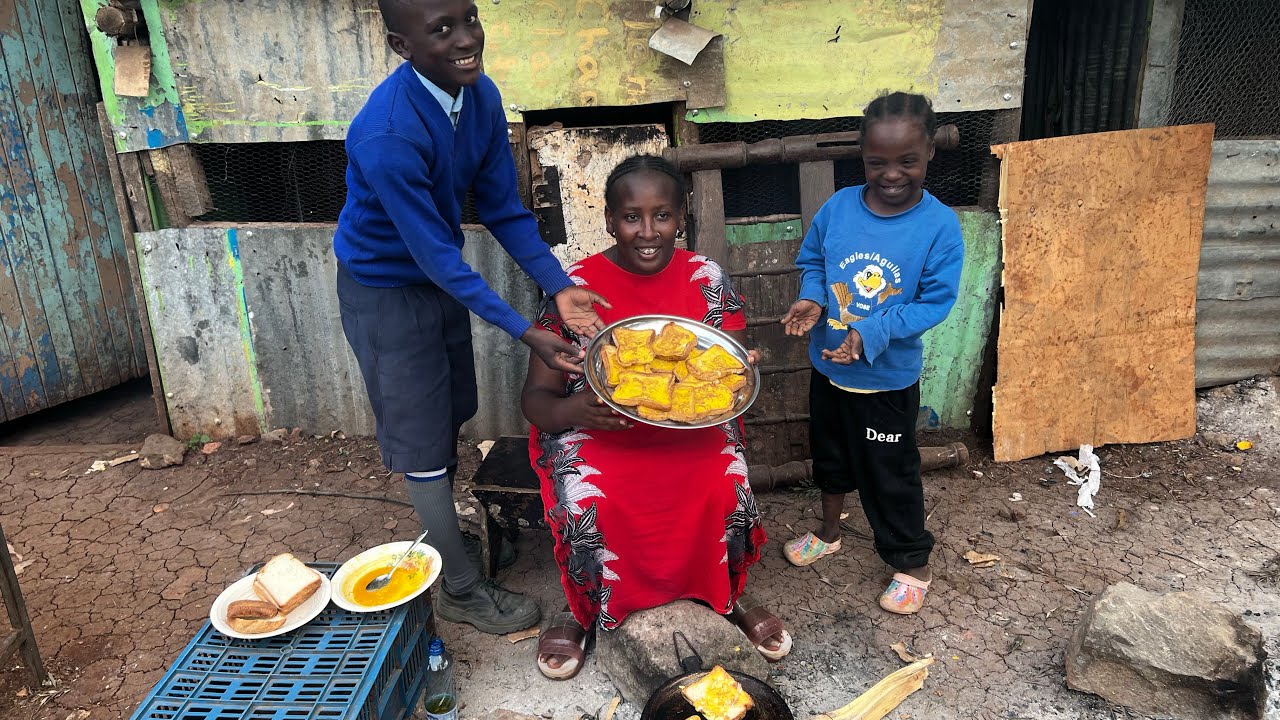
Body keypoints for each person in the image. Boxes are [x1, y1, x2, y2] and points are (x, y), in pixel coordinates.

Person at [333, 0, 608, 635]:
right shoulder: (388, 134)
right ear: (402, 45)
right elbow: (434, 255)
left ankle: (451, 542)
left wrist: (559, 286)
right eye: (442, 30)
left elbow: (503, 208)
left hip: (437, 281)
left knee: (453, 408)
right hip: (386, 291)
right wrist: (526, 332)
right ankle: (459, 589)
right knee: (423, 438)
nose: (466, 40)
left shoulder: (478, 95)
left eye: (470, 19)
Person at [521, 156, 791, 680]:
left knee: (723, 483)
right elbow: (536, 399)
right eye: (631, 217)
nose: (648, 232)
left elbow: (729, 371)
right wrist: (577, 409)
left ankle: (722, 593)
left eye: (662, 215)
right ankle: (585, 609)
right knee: (593, 498)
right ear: (609, 220)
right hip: (596, 427)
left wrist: (742, 366)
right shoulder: (575, 286)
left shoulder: (706, 278)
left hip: (692, 428)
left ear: (681, 217)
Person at [778, 92, 964, 615]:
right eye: (878, 162)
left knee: (889, 471)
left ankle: (912, 564)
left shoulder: (939, 227)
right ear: (862, 155)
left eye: (908, 161)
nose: (892, 174)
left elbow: (934, 302)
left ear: (930, 153)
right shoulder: (838, 208)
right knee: (831, 457)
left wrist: (870, 333)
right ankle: (829, 533)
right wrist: (813, 298)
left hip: (887, 381)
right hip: (828, 368)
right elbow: (814, 261)